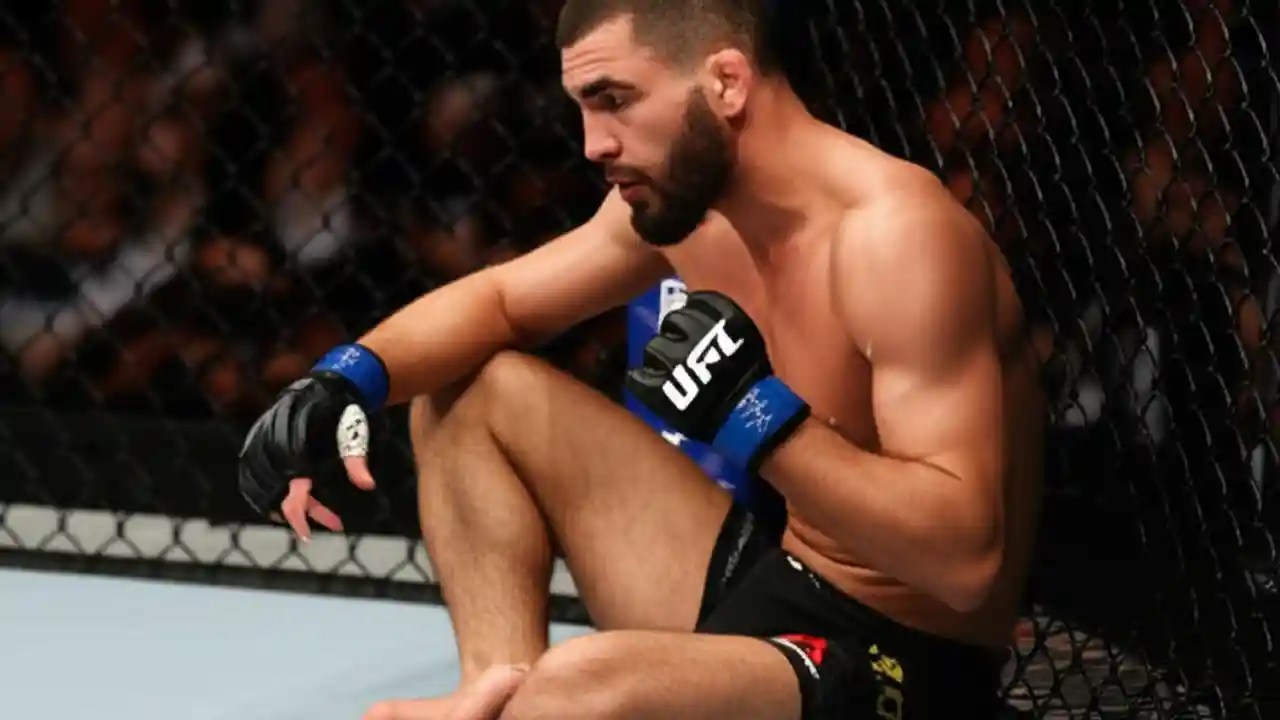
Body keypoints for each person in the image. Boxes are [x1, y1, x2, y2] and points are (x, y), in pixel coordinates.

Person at [236, 0, 1046, 717]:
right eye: (584, 108)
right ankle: (492, 693)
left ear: (726, 82)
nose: (593, 144)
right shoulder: (689, 208)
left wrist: (759, 417)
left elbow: (965, 563)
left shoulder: (895, 237)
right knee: (469, 390)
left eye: (614, 100)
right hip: (776, 577)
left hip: (903, 663)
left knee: (582, 687)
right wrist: (341, 379)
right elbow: (500, 301)